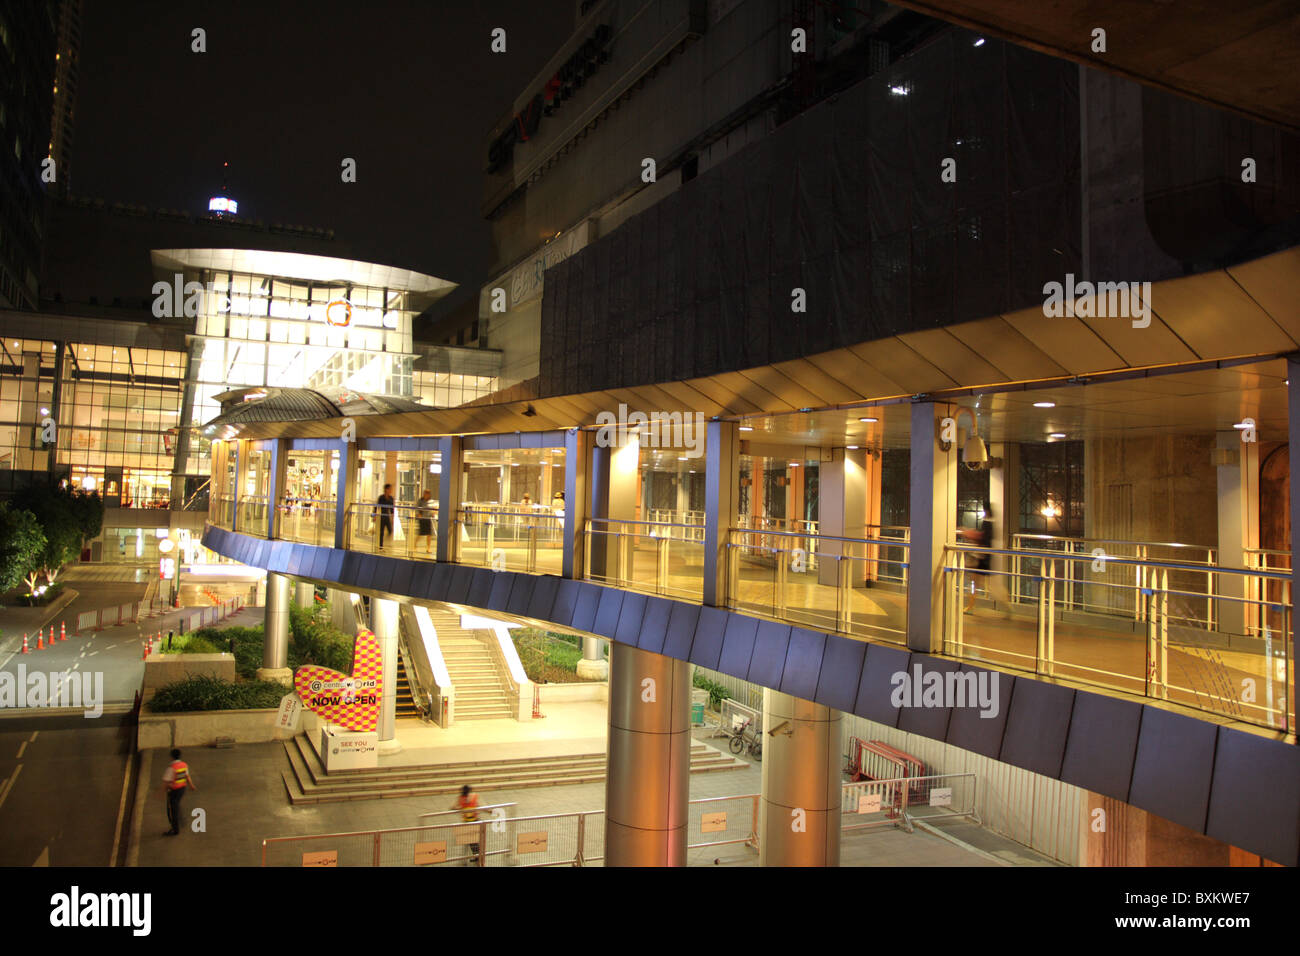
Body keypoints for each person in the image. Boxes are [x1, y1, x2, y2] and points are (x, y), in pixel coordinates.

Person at [964, 501, 994, 613]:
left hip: (982, 559)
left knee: (974, 583)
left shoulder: (987, 523)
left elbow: (983, 539)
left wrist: (970, 534)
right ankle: (970, 606)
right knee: (983, 584)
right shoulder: (991, 523)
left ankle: (970, 607)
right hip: (986, 558)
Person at [161, 747, 197, 836]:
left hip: (173, 791)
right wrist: (191, 785)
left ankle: (175, 829)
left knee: (172, 810)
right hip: (182, 789)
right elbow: (187, 776)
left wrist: (161, 792)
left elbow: (166, 781)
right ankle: (181, 820)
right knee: (176, 805)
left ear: (172, 757)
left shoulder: (171, 767)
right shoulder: (184, 765)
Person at [454, 784, 481, 865]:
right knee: (473, 841)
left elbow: (453, 807)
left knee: (470, 841)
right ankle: (476, 856)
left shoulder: (460, 798)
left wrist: (461, 808)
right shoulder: (474, 796)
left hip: (466, 822)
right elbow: (479, 806)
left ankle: (474, 857)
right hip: (475, 821)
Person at [416, 489, 435, 555]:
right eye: (425, 493)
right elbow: (417, 508)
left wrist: (432, 513)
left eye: (427, 493)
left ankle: (428, 548)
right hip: (422, 519)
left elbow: (431, 509)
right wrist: (419, 514)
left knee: (429, 534)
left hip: (428, 519)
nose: (426, 495)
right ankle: (415, 545)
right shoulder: (420, 501)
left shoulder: (430, 501)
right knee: (421, 533)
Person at [376, 484, 395, 550]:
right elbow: (377, 506)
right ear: (386, 489)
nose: (391, 490)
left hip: (387, 515)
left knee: (390, 530)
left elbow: (392, 509)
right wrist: (375, 515)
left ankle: (384, 542)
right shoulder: (381, 497)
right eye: (389, 489)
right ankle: (380, 546)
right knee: (381, 531)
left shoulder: (391, 498)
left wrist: (392, 518)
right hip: (381, 515)